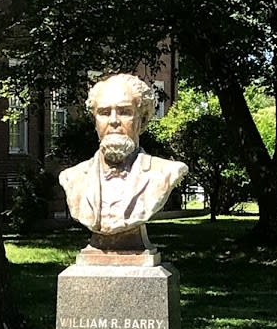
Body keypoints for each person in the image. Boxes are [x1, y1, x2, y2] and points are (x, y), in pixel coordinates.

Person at [59, 73, 188, 239]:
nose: (114, 121)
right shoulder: (72, 177)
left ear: (142, 119)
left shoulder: (165, 172)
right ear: (95, 121)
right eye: (104, 112)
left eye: (125, 112)